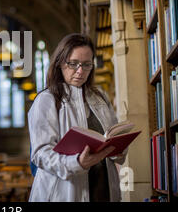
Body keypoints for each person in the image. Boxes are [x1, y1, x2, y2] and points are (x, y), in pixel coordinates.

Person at [28, 33, 127, 202]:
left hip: (104, 190)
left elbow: (113, 141)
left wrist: (119, 148)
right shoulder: (47, 99)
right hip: (64, 193)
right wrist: (78, 163)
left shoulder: (100, 97)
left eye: (87, 65)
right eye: (73, 64)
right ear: (60, 63)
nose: (80, 71)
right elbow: (40, 154)